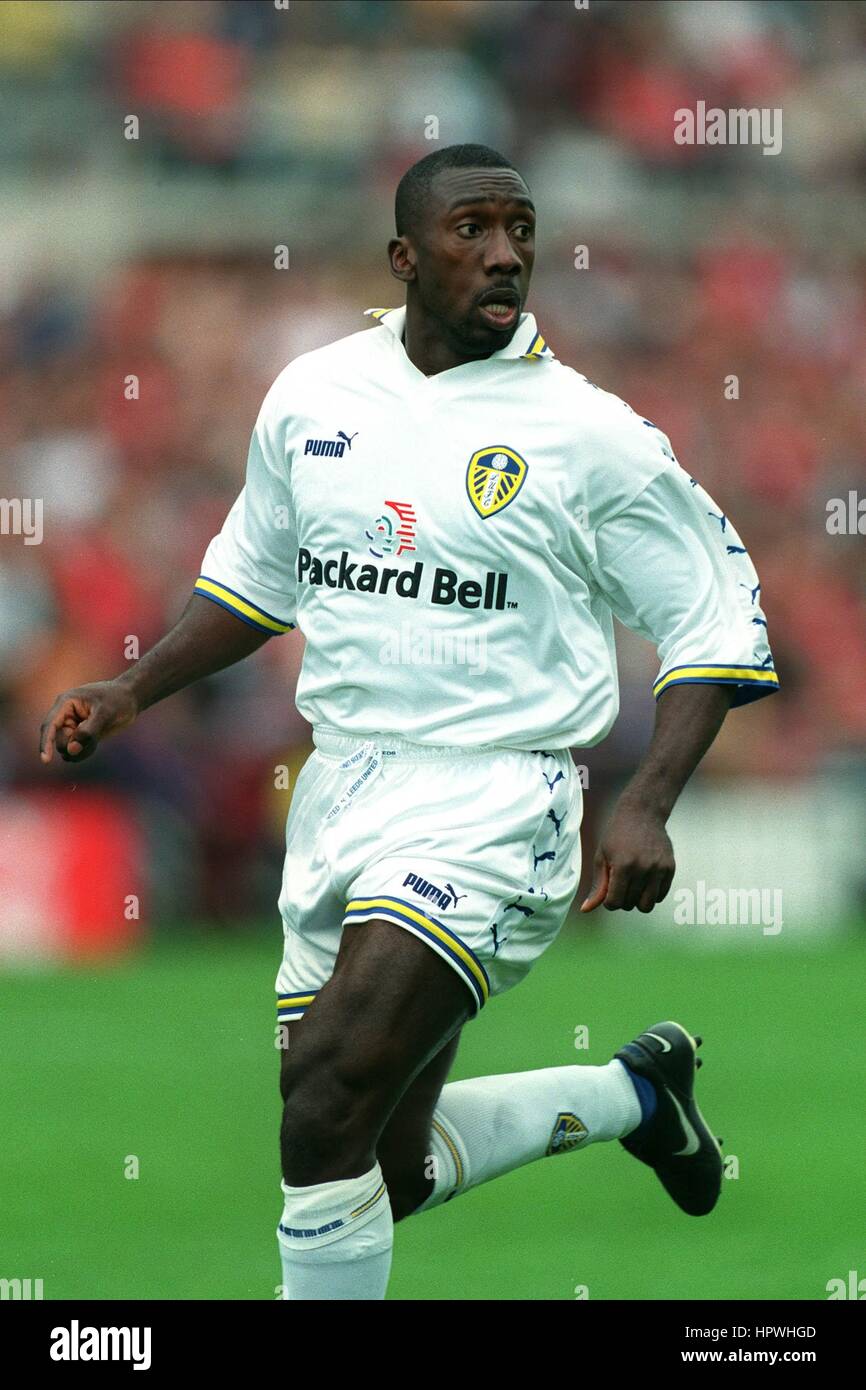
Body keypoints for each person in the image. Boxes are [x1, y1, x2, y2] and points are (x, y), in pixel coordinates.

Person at [39, 144, 779, 1301]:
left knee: (324, 1094)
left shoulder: (588, 436)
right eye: (471, 230)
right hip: (340, 795)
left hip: (495, 799)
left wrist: (643, 801)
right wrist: (138, 688)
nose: (503, 254)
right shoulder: (315, 396)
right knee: (372, 1160)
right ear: (401, 256)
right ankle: (638, 1094)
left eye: (519, 230)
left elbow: (713, 614)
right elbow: (253, 581)